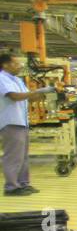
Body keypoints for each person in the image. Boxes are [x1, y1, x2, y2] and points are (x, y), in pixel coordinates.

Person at [0, 51, 53, 196]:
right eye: (16, 63)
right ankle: (11, 187)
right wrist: (36, 91)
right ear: (5, 65)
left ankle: (23, 184)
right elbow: (14, 96)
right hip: (10, 122)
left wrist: (46, 92)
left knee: (23, 156)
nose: (19, 66)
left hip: (22, 122)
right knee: (13, 156)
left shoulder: (16, 80)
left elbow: (28, 99)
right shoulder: (2, 78)